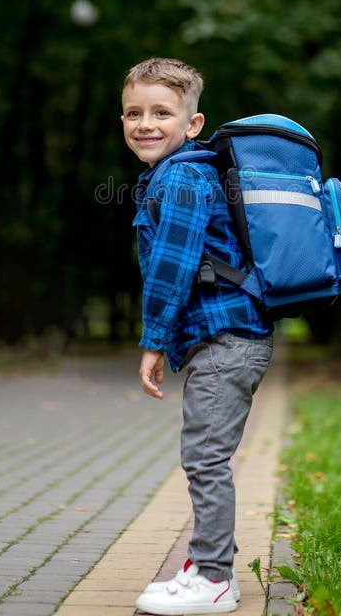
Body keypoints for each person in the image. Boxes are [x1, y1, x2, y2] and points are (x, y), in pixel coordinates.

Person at [121, 57, 273, 616]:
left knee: (206, 460)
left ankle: (214, 579)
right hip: (228, 338)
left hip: (227, 338)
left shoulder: (182, 176)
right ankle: (205, 565)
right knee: (206, 455)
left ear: (192, 123)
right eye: (134, 113)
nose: (145, 123)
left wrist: (154, 340)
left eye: (162, 112)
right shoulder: (180, 173)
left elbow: (172, 265)